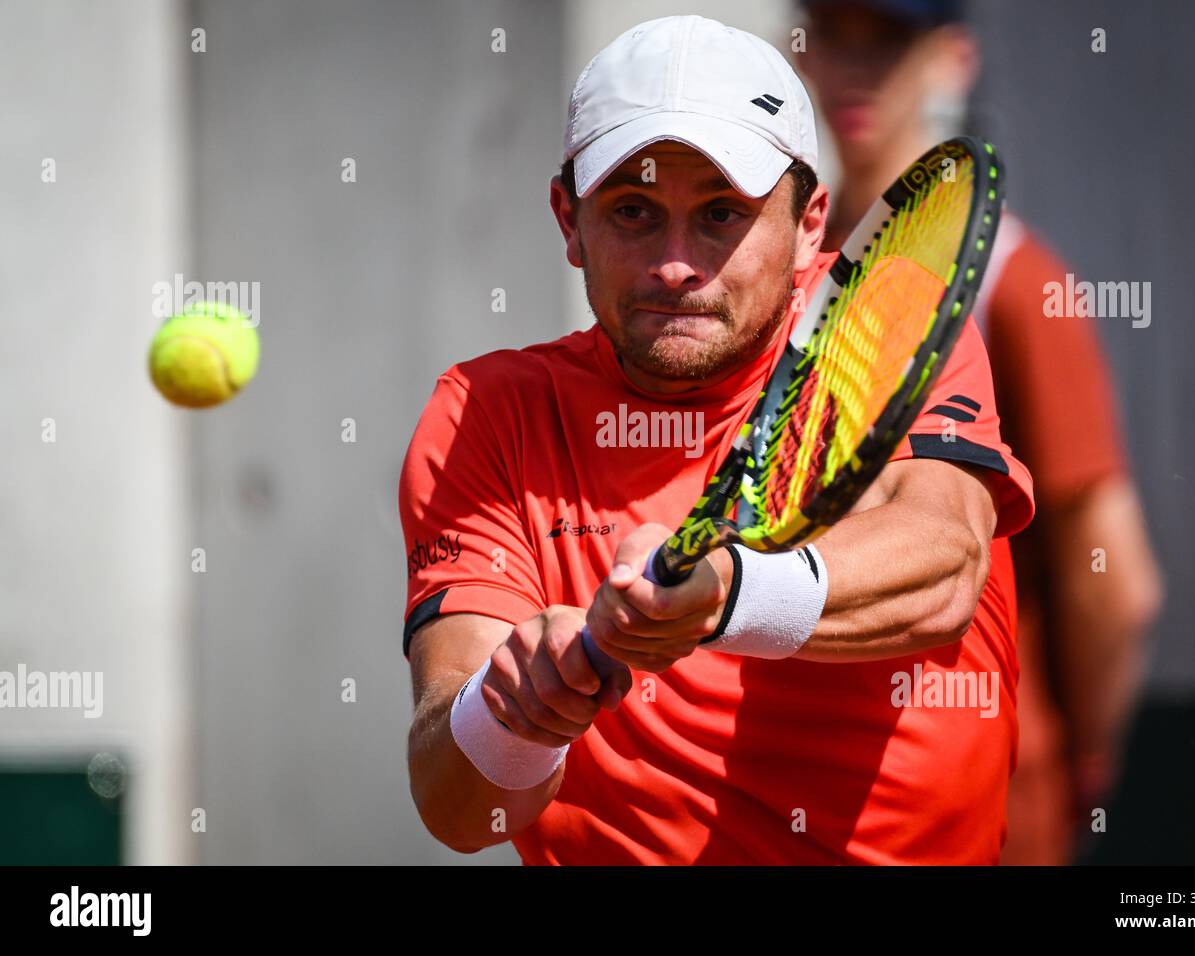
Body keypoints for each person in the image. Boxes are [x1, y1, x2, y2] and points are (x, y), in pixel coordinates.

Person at [400, 14, 1033, 865]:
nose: (674, 263)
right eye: (632, 211)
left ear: (811, 220)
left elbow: (945, 567)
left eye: (721, 214)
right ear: (567, 220)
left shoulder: (891, 322)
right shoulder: (486, 409)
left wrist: (727, 595)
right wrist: (512, 715)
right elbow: (460, 813)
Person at [794, 0, 1164, 863]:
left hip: (979, 806)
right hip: (804, 802)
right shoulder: (779, 283)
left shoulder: (1019, 284)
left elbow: (1115, 582)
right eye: (833, 36)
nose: (857, 70)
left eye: (887, 40)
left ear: (953, 59)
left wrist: (1084, 761)